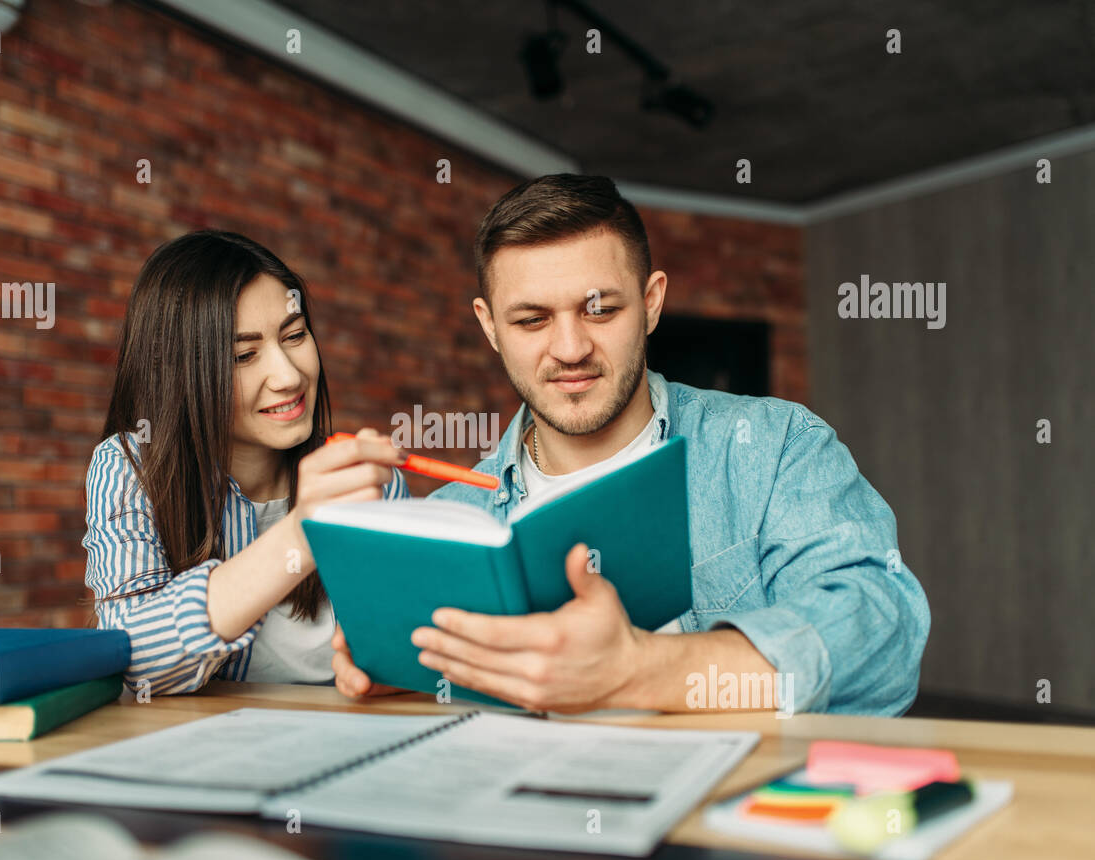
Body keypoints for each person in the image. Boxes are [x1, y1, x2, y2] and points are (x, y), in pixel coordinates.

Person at [333, 174, 930, 715]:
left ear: (651, 302)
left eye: (600, 309)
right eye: (531, 320)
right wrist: (407, 673)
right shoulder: (453, 525)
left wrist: (636, 671)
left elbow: (882, 628)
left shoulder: (772, 448)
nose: (569, 348)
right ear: (490, 327)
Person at [85, 230, 407, 695]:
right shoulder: (132, 468)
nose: (288, 375)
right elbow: (133, 660)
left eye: (295, 336)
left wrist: (396, 672)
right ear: (180, 371)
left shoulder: (364, 478)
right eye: (243, 355)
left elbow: (407, 651)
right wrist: (300, 532)